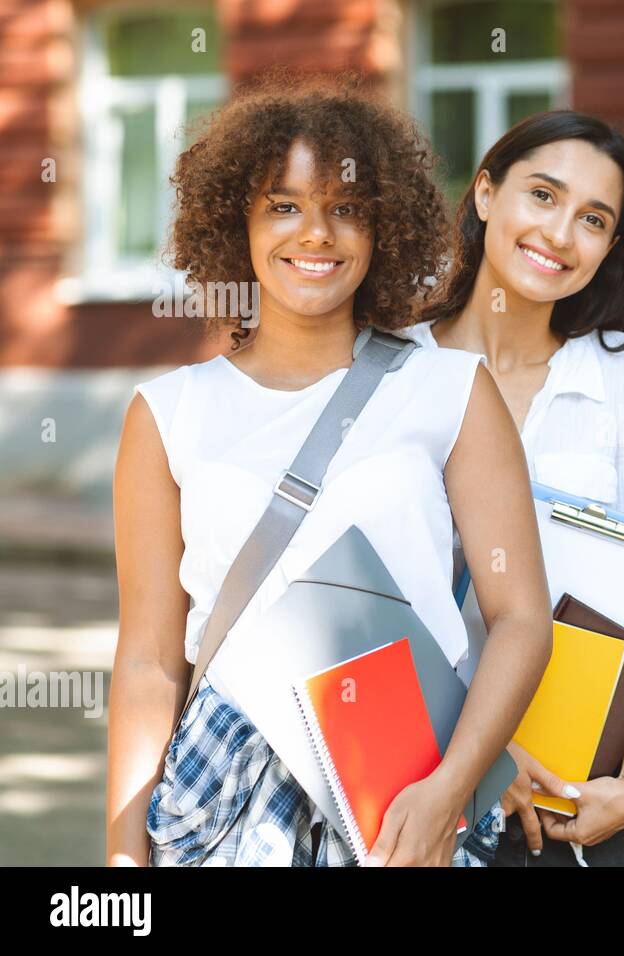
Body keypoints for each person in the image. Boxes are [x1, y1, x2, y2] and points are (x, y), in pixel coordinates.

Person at [106, 74, 553, 867]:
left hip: (404, 804)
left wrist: (452, 786)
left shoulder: (449, 389)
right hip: (221, 808)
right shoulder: (166, 412)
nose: (316, 233)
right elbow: (147, 661)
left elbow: (520, 618)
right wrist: (123, 857)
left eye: (345, 209)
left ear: (383, 229)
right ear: (232, 225)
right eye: (283, 206)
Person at [419, 111, 624, 867]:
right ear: (487, 193)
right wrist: (479, 756)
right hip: (423, 769)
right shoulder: (392, 363)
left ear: (611, 248)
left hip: (575, 777)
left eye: (593, 219)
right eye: (543, 196)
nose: (561, 234)